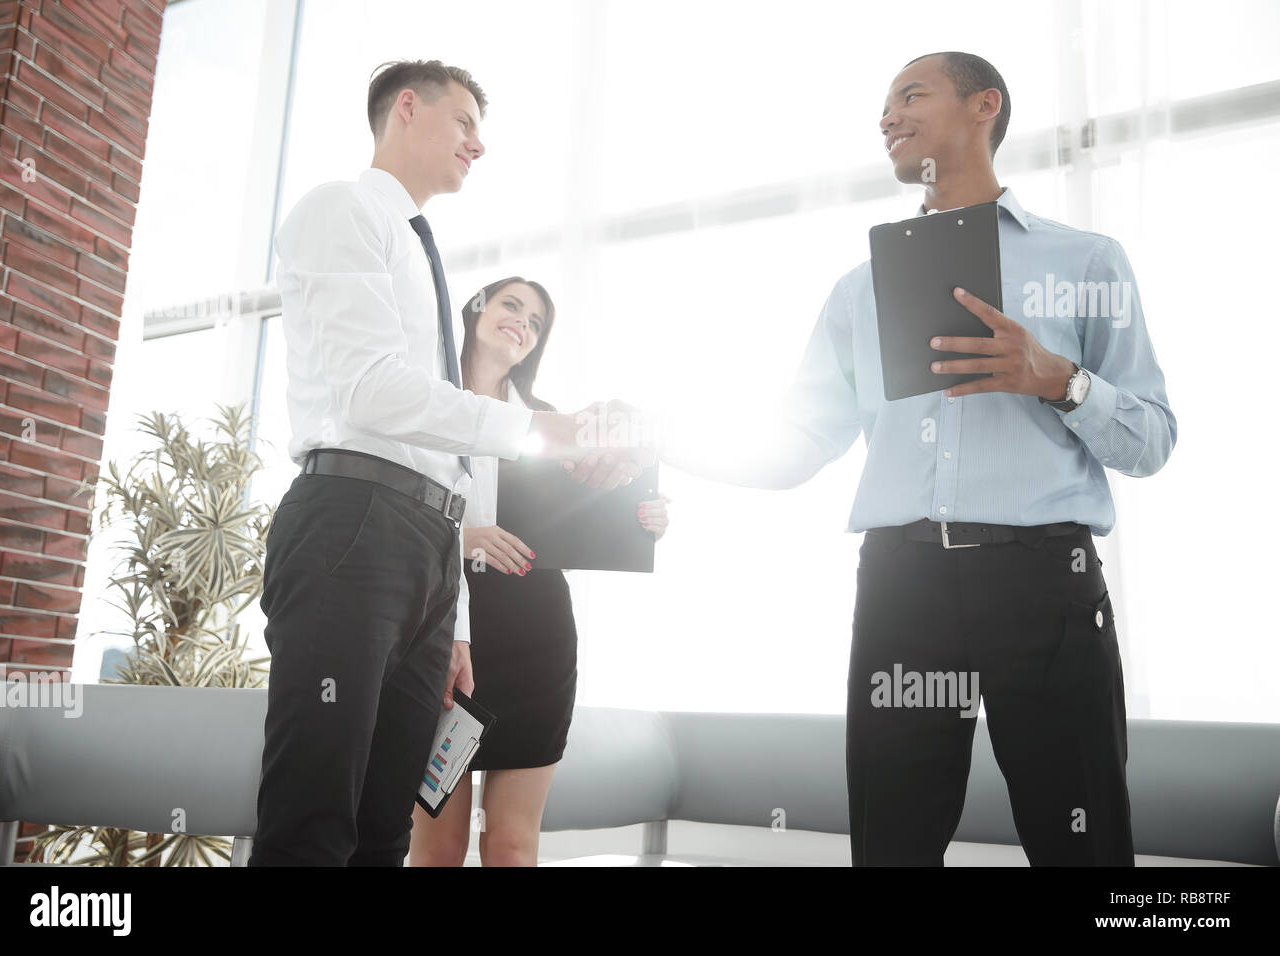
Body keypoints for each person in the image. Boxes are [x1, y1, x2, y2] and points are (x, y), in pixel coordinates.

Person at [658, 51, 1175, 865]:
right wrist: (660, 440)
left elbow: (1153, 441)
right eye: (884, 105)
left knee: (1081, 837)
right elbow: (794, 446)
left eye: (911, 94)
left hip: (1042, 585)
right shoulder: (857, 290)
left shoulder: (1085, 262)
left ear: (984, 107)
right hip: (903, 586)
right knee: (892, 843)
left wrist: (1058, 379)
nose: (888, 116)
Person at [250, 60, 650, 867]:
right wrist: (544, 433)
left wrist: (455, 619)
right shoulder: (344, 210)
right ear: (406, 109)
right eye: (465, 122)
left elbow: (444, 464)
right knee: (316, 810)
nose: (479, 143)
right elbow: (369, 392)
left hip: (425, 553)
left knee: (383, 830)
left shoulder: (415, 249)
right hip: (352, 522)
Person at [405, 277, 670, 867]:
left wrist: (644, 516)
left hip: (537, 634)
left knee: (512, 842)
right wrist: (462, 537)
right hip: (443, 628)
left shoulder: (550, 424)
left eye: (535, 322)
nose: (521, 323)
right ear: (475, 312)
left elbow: (599, 505)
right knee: (437, 845)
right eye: (511, 307)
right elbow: (389, 512)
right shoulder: (421, 404)